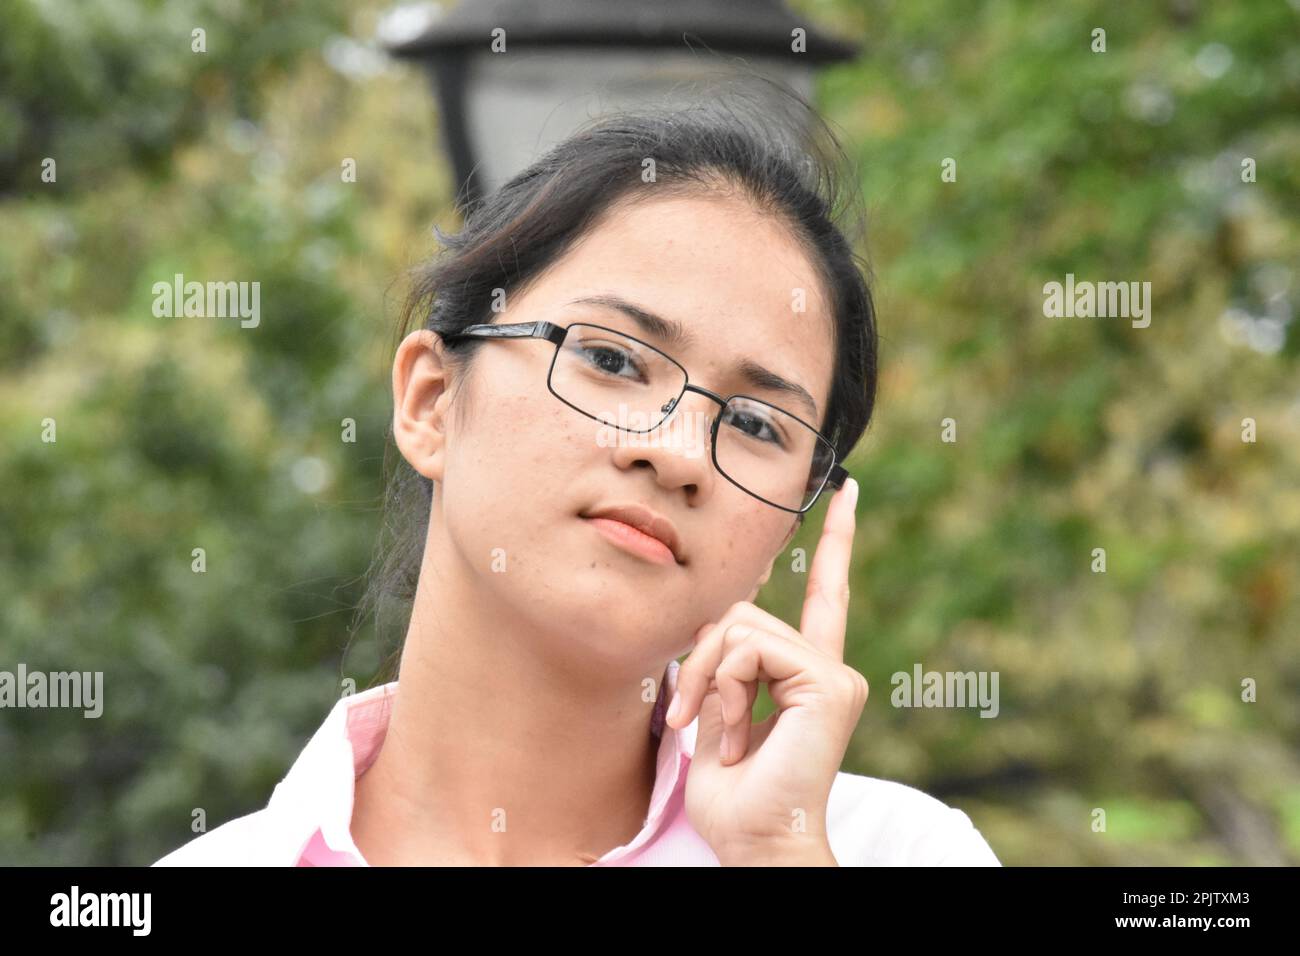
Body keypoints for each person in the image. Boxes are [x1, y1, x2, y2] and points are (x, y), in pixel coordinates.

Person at [154, 79, 999, 867]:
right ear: (432, 400)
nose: (675, 452)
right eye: (611, 358)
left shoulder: (889, 850)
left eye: (752, 423)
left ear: (788, 526)